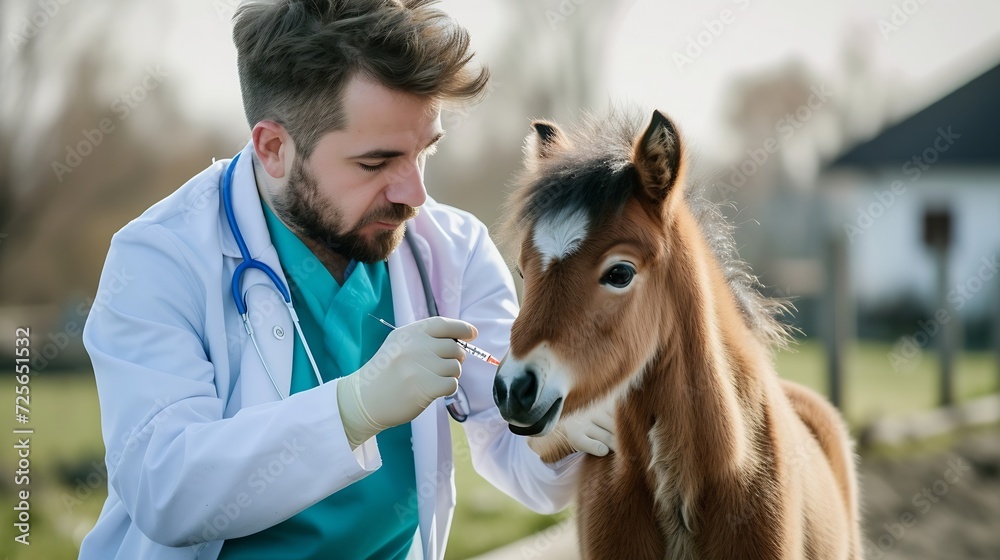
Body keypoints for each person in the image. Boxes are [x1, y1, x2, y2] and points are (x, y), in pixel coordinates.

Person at [78, 1, 616, 559]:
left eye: (423, 152)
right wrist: (353, 409)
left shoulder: (451, 250)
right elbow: (164, 492)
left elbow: (518, 461)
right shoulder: (159, 257)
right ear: (273, 148)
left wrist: (560, 436)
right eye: (375, 162)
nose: (415, 195)